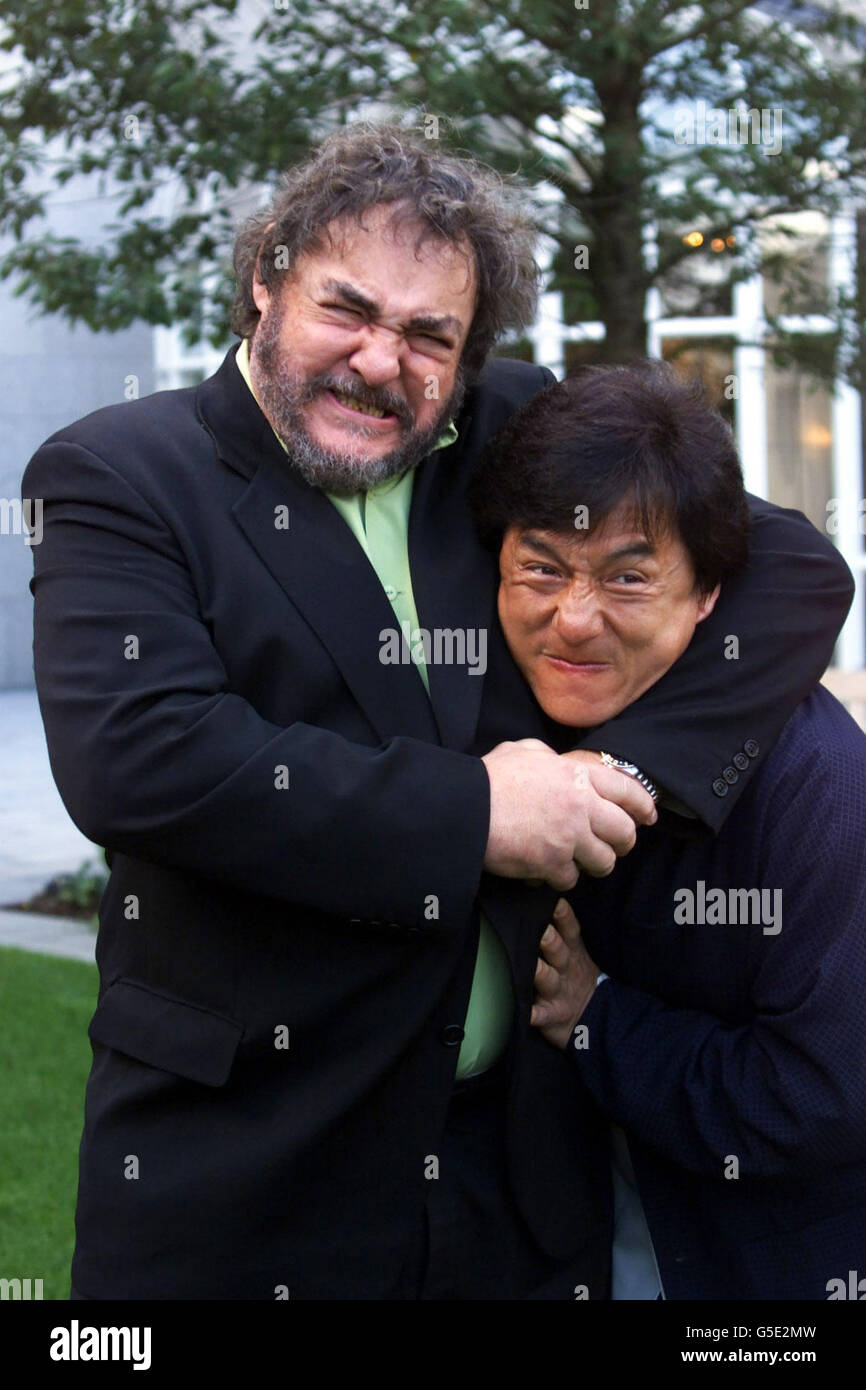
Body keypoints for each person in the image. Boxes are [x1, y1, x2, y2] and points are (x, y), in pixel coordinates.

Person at [22, 125, 852, 1300]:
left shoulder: (506, 428)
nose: (379, 360)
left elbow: (788, 566)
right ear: (267, 277)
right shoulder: (117, 473)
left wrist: (612, 775)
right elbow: (142, 757)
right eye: (345, 308)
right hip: (251, 1174)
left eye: (427, 336)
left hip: (515, 1177)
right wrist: (481, 811)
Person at [469, 360, 866, 1300]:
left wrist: (600, 1020)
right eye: (540, 567)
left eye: (628, 579)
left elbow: (817, 1099)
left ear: (711, 597)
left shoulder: (820, 786)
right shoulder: (514, 737)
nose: (574, 619)